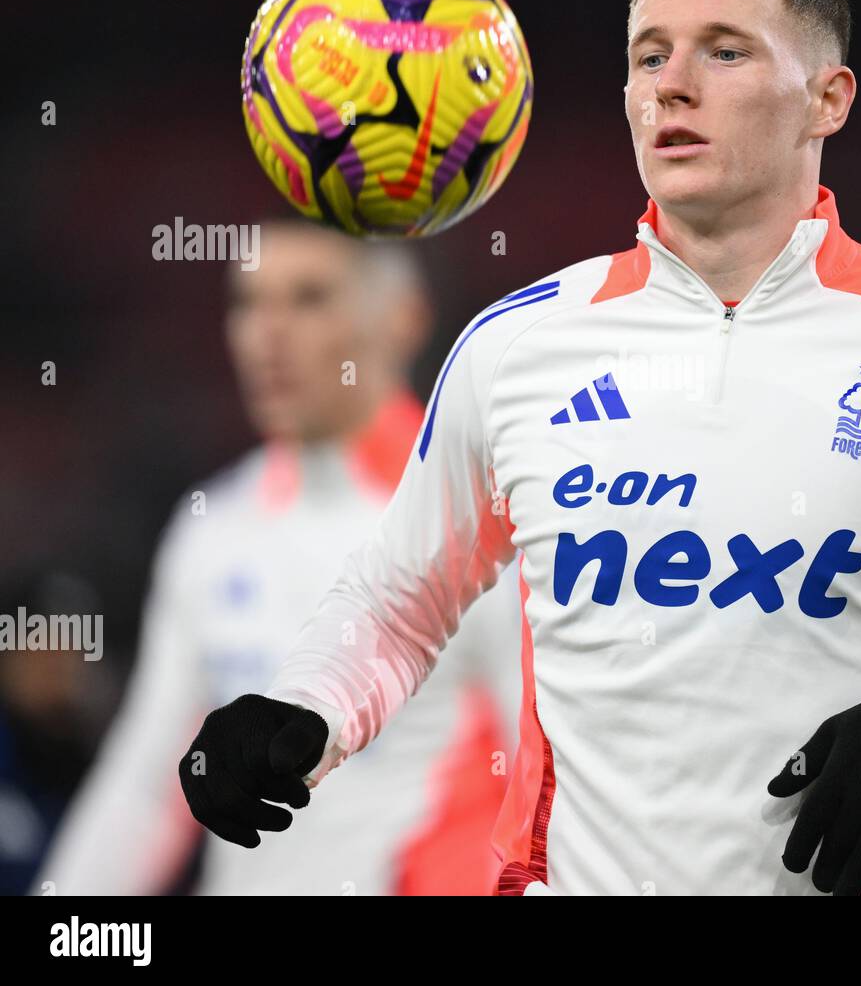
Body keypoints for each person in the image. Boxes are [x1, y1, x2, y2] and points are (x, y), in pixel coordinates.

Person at [179, 0, 861, 896]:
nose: (671, 84)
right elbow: (397, 604)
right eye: (649, 55)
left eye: (723, 51)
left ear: (828, 98)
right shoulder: (516, 345)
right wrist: (299, 707)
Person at [35, 221, 520, 895]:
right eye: (249, 302)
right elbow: (149, 786)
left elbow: (549, 776)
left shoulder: (481, 516)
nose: (269, 334)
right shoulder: (215, 525)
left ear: (404, 319)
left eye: (310, 298)